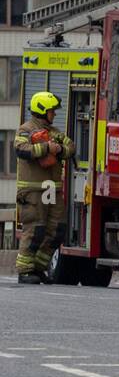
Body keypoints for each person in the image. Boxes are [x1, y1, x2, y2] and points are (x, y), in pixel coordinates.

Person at [14, 91, 73, 285]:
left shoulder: (55, 132)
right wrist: (47, 148)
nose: (54, 114)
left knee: (57, 229)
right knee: (35, 229)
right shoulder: (25, 130)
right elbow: (21, 150)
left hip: (51, 190)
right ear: (41, 110)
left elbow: (70, 147)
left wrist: (60, 149)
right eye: (51, 111)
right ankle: (25, 270)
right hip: (33, 191)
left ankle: (39, 268)